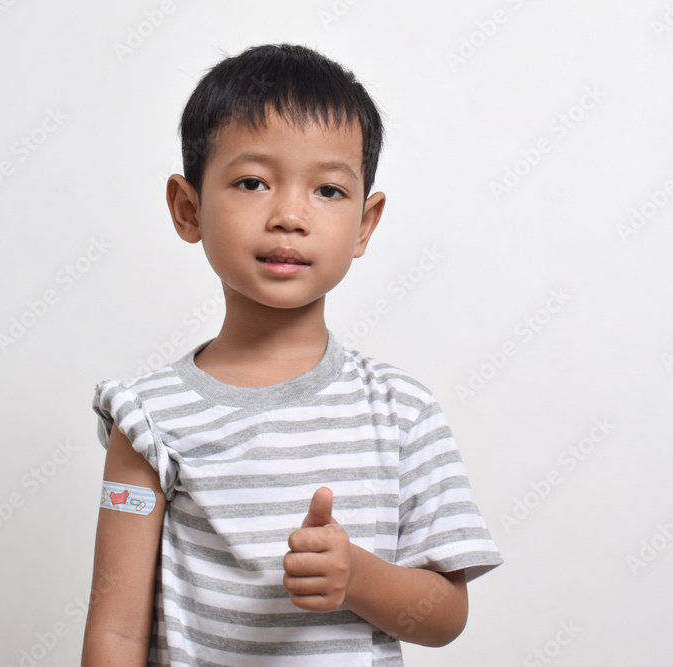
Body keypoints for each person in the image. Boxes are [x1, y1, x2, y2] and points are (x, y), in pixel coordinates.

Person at [81, 43, 502, 666]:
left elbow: (445, 616)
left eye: (329, 190)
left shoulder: (401, 410)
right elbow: (115, 632)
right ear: (188, 207)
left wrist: (356, 576)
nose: (289, 216)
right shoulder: (146, 419)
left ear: (365, 222)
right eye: (252, 182)